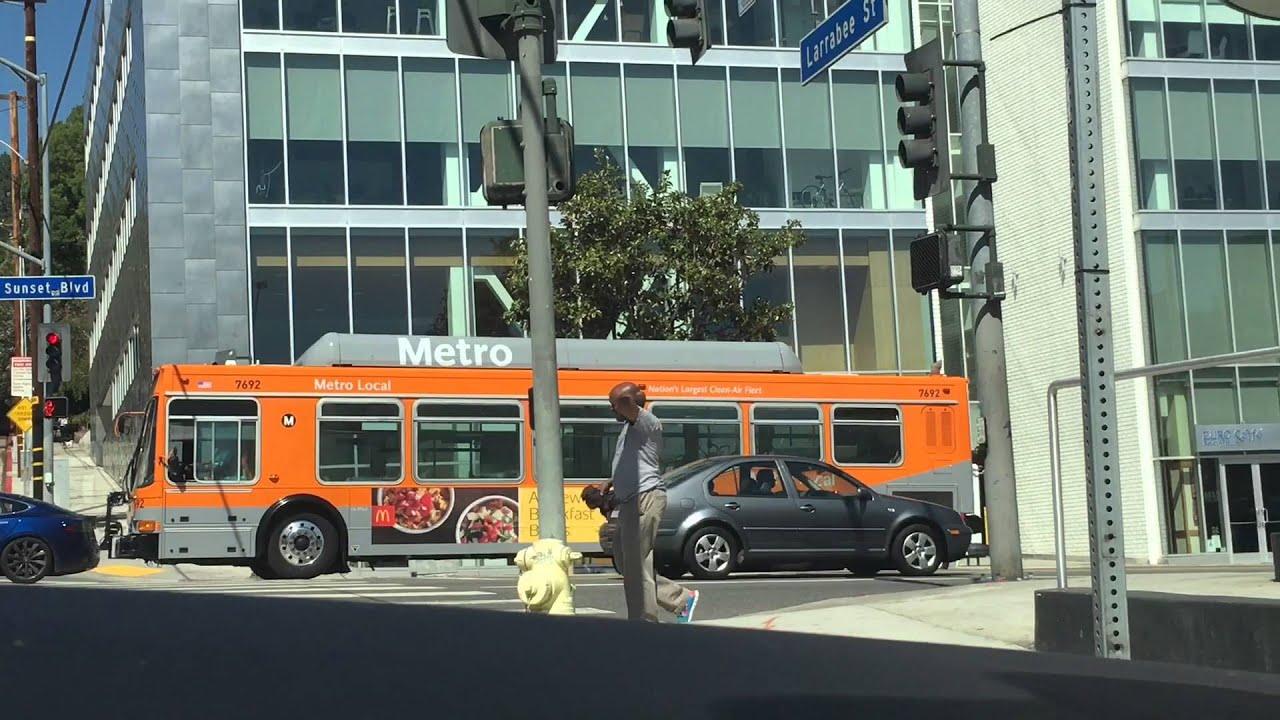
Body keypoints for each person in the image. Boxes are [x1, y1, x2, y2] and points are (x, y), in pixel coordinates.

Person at [597, 381, 700, 624]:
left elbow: (629, 407)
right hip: (630, 501)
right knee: (626, 562)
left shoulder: (647, 422)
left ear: (629, 405)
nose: (612, 410)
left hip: (645, 499)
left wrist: (626, 397)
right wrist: (611, 484)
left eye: (614, 405)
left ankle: (644, 622)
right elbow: (635, 461)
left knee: (636, 564)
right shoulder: (628, 430)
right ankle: (681, 600)